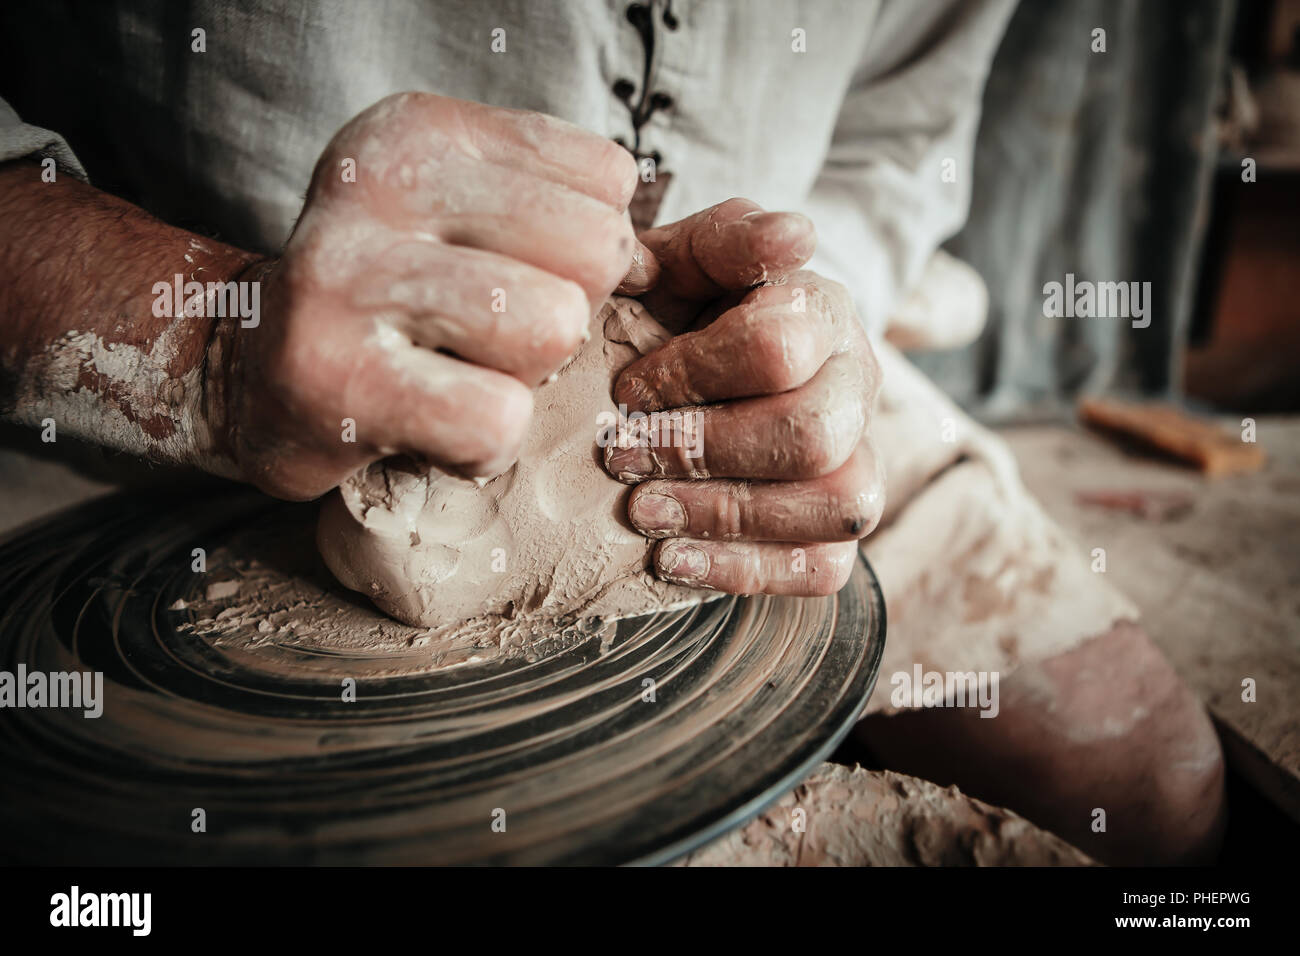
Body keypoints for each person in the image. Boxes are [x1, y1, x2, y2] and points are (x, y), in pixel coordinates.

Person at [0, 0, 1223, 864]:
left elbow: (892, 141)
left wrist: (791, 326)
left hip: (705, 402)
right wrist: (213, 346)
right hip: (132, 391)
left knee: (1153, 789)